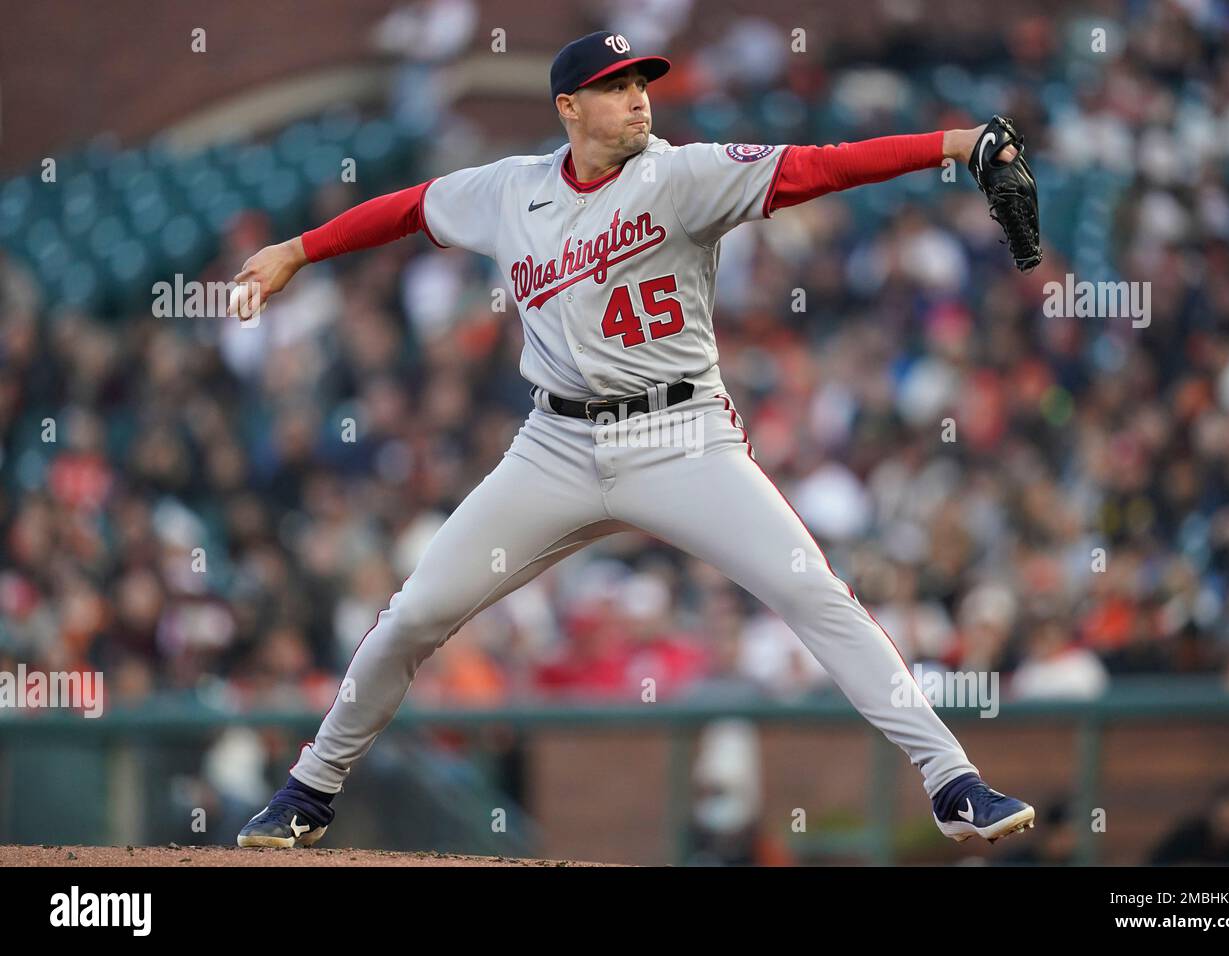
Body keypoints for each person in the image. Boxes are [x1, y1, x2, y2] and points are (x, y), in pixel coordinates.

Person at [235, 30, 1034, 850]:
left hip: (682, 435)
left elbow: (820, 165)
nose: (639, 98)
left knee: (814, 592)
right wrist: (298, 251)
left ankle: (951, 780)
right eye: (616, 87)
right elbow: (407, 208)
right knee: (413, 616)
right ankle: (309, 789)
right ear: (568, 107)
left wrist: (956, 143)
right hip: (555, 445)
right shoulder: (511, 189)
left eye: (643, 82)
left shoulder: (682, 174)